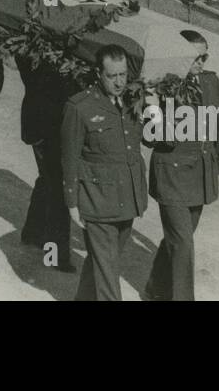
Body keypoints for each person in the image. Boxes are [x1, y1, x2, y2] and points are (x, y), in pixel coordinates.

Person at [144, 30, 219, 301]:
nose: (201, 62)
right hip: (172, 174)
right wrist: (154, 109)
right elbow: (154, 139)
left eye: (204, 55)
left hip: (201, 173)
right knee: (183, 243)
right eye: (195, 57)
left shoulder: (210, 81)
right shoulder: (160, 86)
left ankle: (155, 289)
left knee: (179, 238)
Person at [61, 45, 148, 300]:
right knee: (109, 272)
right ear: (99, 73)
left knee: (102, 262)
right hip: (97, 200)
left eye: (123, 75)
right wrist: (72, 203)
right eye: (113, 76)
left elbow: (146, 140)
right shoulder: (80, 107)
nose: (120, 82)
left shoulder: (135, 100)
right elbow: (69, 158)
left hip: (127, 198)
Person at [17, 49, 79, 273]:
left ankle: (32, 232)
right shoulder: (33, 49)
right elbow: (30, 76)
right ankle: (56, 255)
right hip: (43, 125)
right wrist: (59, 72)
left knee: (49, 179)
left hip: (59, 124)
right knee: (58, 186)